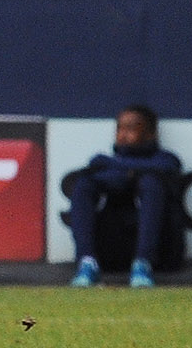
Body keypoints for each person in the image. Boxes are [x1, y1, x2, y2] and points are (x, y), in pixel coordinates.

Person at [62, 104, 185, 291]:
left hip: (161, 254)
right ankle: (87, 263)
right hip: (113, 250)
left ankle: (142, 264)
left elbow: (164, 168)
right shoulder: (104, 163)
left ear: (150, 134)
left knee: (151, 183)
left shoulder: (166, 160)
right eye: (120, 128)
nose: (123, 134)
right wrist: (127, 173)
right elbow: (98, 166)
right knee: (85, 183)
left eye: (131, 128)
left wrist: (125, 170)